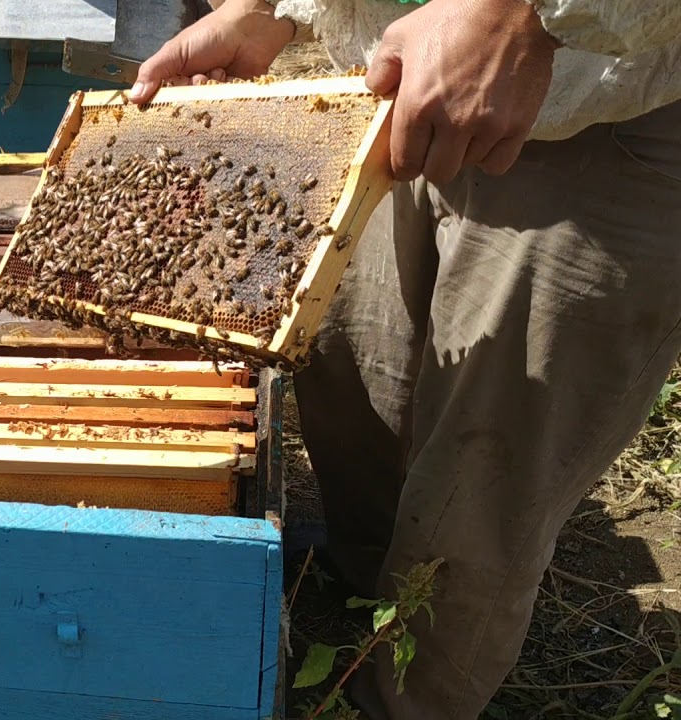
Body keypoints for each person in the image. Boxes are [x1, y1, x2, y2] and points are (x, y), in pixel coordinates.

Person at [127, 0, 681, 717]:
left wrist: (520, 15)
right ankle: (361, 589)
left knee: (481, 475)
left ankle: (403, 699)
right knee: (357, 368)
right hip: (396, 90)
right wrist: (264, 10)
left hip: (596, 105)